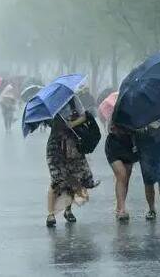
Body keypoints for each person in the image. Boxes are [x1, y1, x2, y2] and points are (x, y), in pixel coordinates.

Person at [45, 94, 99, 228]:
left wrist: (71, 124)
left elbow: (84, 116)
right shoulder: (50, 106)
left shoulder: (73, 100)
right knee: (56, 180)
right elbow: (47, 122)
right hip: (55, 147)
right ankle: (51, 214)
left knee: (74, 179)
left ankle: (68, 211)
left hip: (73, 145)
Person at [133, 106, 160, 221]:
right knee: (148, 178)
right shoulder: (141, 101)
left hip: (159, 141)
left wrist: (153, 127)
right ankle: (151, 209)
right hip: (143, 141)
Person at [105, 123, 139, 222]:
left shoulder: (137, 114)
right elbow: (110, 127)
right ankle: (122, 209)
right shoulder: (117, 110)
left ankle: (120, 205)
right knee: (122, 175)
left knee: (126, 178)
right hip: (114, 144)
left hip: (130, 144)